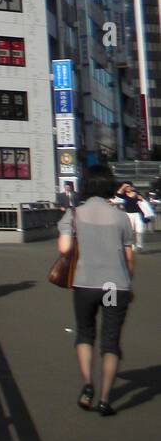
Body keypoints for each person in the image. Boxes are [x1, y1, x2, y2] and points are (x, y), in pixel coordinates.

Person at [58, 164, 135, 416]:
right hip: (114, 285)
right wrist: (129, 283)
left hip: (85, 283)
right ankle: (104, 400)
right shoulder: (121, 217)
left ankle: (88, 386)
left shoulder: (75, 214)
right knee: (111, 341)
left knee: (85, 334)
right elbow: (128, 257)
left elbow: (64, 249)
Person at [112, 183, 147, 251]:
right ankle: (132, 244)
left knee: (139, 230)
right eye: (126, 187)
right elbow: (117, 195)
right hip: (128, 214)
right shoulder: (124, 195)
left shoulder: (136, 194)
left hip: (137, 214)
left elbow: (143, 201)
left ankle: (139, 245)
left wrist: (141, 199)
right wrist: (122, 187)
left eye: (129, 186)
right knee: (130, 231)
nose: (127, 188)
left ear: (131, 187)